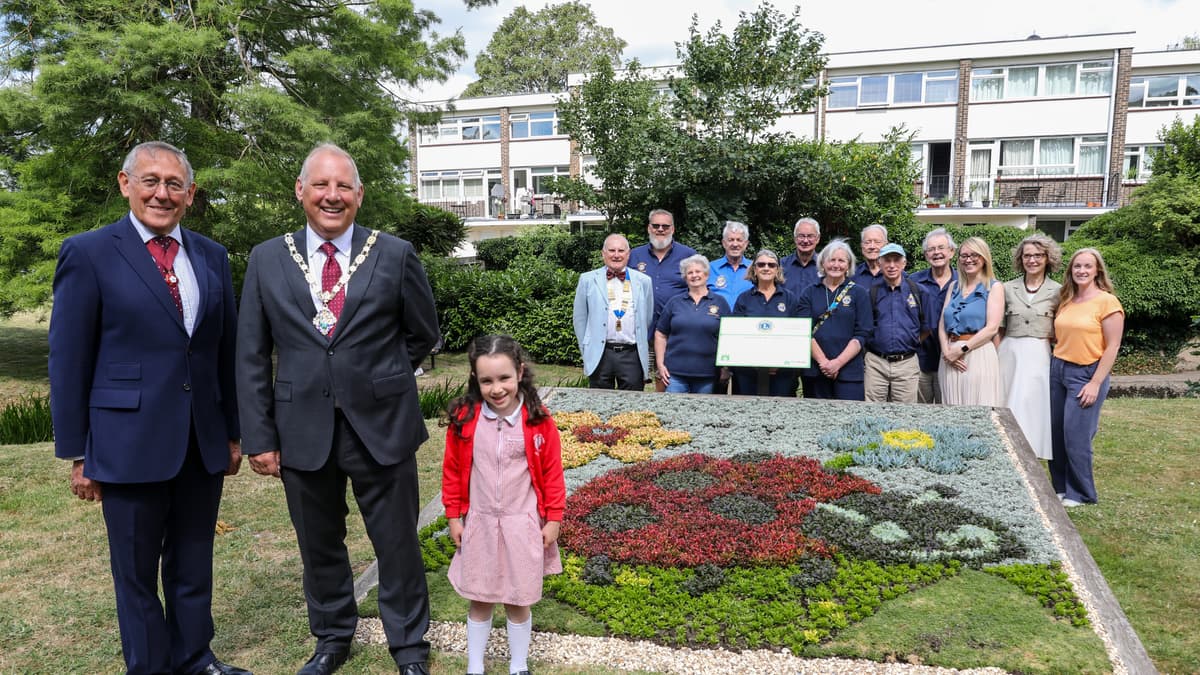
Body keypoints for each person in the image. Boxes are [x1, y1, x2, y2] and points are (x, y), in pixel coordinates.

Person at [237, 144, 440, 675]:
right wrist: (259, 436)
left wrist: (381, 378)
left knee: (396, 542)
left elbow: (423, 333)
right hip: (300, 428)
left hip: (382, 426)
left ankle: (409, 646)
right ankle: (331, 638)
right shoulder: (267, 258)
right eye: (321, 186)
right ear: (301, 191)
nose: (332, 196)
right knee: (319, 542)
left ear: (359, 195)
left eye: (343, 187)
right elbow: (252, 354)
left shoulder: (394, 254)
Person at [48, 141, 249, 675]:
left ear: (190, 193)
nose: (162, 193)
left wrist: (231, 432)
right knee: (135, 573)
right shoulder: (88, 252)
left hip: (199, 440)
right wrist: (76, 452)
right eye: (151, 181)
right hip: (126, 440)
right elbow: (68, 358)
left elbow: (223, 352)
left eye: (174, 184)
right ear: (125, 184)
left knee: (192, 561)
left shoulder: (211, 255)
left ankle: (194, 657)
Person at [442, 335, 565, 675]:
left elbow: (553, 473)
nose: (497, 388)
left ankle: (518, 666)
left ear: (520, 372)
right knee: (480, 597)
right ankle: (475, 666)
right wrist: (454, 515)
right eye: (486, 381)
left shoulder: (538, 421)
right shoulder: (465, 420)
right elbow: (452, 471)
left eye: (504, 378)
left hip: (521, 525)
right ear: (475, 380)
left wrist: (553, 518)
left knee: (517, 599)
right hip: (480, 522)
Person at [1050, 248, 1124, 507]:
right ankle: (1060, 487)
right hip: (1058, 369)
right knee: (1056, 434)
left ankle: (1081, 493)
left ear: (1097, 271)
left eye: (1087, 266)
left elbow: (1113, 346)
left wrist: (1094, 383)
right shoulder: (1067, 299)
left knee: (1076, 435)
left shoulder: (1107, 302)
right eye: (1077, 266)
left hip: (1087, 373)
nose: (1081, 270)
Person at [998, 233, 1063, 461]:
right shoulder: (1006, 288)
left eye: (1038, 255)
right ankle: (1007, 448)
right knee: (1008, 399)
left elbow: (1062, 327)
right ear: (1020, 259)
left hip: (1039, 353)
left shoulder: (1058, 291)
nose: (1032, 260)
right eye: (1027, 256)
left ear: (1048, 258)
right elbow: (999, 327)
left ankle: (1032, 451)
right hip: (1010, 352)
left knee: (1034, 402)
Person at [572, 233, 654, 390]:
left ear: (628, 254)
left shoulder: (643, 281)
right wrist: (587, 350)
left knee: (632, 407)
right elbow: (580, 319)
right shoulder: (587, 280)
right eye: (612, 250)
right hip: (601, 354)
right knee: (599, 404)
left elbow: (647, 317)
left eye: (621, 251)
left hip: (631, 354)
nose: (616, 255)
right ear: (603, 254)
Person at [629, 209, 698, 391]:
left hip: (673, 331)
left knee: (666, 379)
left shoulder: (688, 255)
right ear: (648, 228)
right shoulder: (634, 255)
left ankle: (661, 415)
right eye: (656, 225)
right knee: (636, 378)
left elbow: (697, 290)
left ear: (673, 229)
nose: (660, 229)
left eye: (665, 226)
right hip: (640, 329)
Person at [796, 239, 873, 400]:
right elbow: (803, 331)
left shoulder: (859, 293)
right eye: (832, 260)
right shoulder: (809, 292)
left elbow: (862, 334)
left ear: (848, 265)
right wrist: (824, 362)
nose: (836, 265)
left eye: (841, 260)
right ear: (823, 263)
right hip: (816, 371)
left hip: (849, 372)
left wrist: (837, 363)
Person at [938, 237, 1005, 407]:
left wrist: (962, 348)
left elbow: (992, 328)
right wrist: (947, 351)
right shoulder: (954, 286)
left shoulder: (994, 287)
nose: (968, 259)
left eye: (974, 255)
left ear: (984, 258)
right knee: (952, 411)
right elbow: (942, 324)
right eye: (964, 255)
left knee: (978, 408)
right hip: (949, 358)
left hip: (978, 354)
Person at [864, 243, 936, 403]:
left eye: (896, 260)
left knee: (904, 415)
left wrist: (912, 342)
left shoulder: (919, 292)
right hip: (876, 362)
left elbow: (927, 326)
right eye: (887, 260)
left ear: (904, 263)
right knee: (872, 412)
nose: (891, 265)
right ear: (879, 263)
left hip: (906, 363)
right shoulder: (872, 293)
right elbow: (865, 326)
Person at [732, 249, 804, 396]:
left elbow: (797, 336)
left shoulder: (789, 299)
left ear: (777, 269)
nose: (766, 268)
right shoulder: (744, 299)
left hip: (782, 370)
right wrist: (756, 363)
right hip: (748, 370)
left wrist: (778, 362)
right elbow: (736, 335)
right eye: (761, 264)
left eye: (771, 265)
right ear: (754, 269)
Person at [655, 255, 731, 394]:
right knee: (674, 413)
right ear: (685, 277)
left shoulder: (720, 302)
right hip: (675, 375)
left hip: (708, 375)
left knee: (703, 414)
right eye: (690, 272)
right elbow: (660, 334)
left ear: (707, 275)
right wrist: (660, 364)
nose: (694, 275)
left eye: (698, 272)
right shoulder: (675, 302)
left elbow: (728, 337)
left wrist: (726, 368)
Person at [911, 228, 958, 403]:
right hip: (920, 360)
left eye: (941, 247)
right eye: (931, 249)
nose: (936, 253)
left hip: (951, 361)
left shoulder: (963, 282)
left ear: (951, 252)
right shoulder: (913, 281)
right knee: (918, 413)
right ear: (925, 255)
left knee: (946, 412)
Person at [707, 220, 754, 309]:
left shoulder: (755, 269)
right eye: (731, 240)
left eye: (739, 240)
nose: (735, 244)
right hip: (716, 320)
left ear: (746, 244)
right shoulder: (709, 269)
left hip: (747, 321)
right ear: (724, 243)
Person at [781, 217, 821, 298]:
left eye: (810, 236)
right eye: (801, 236)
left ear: (817, 238)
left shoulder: (826, 266)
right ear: (795, 238)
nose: (805, 241)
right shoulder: (781, 265)